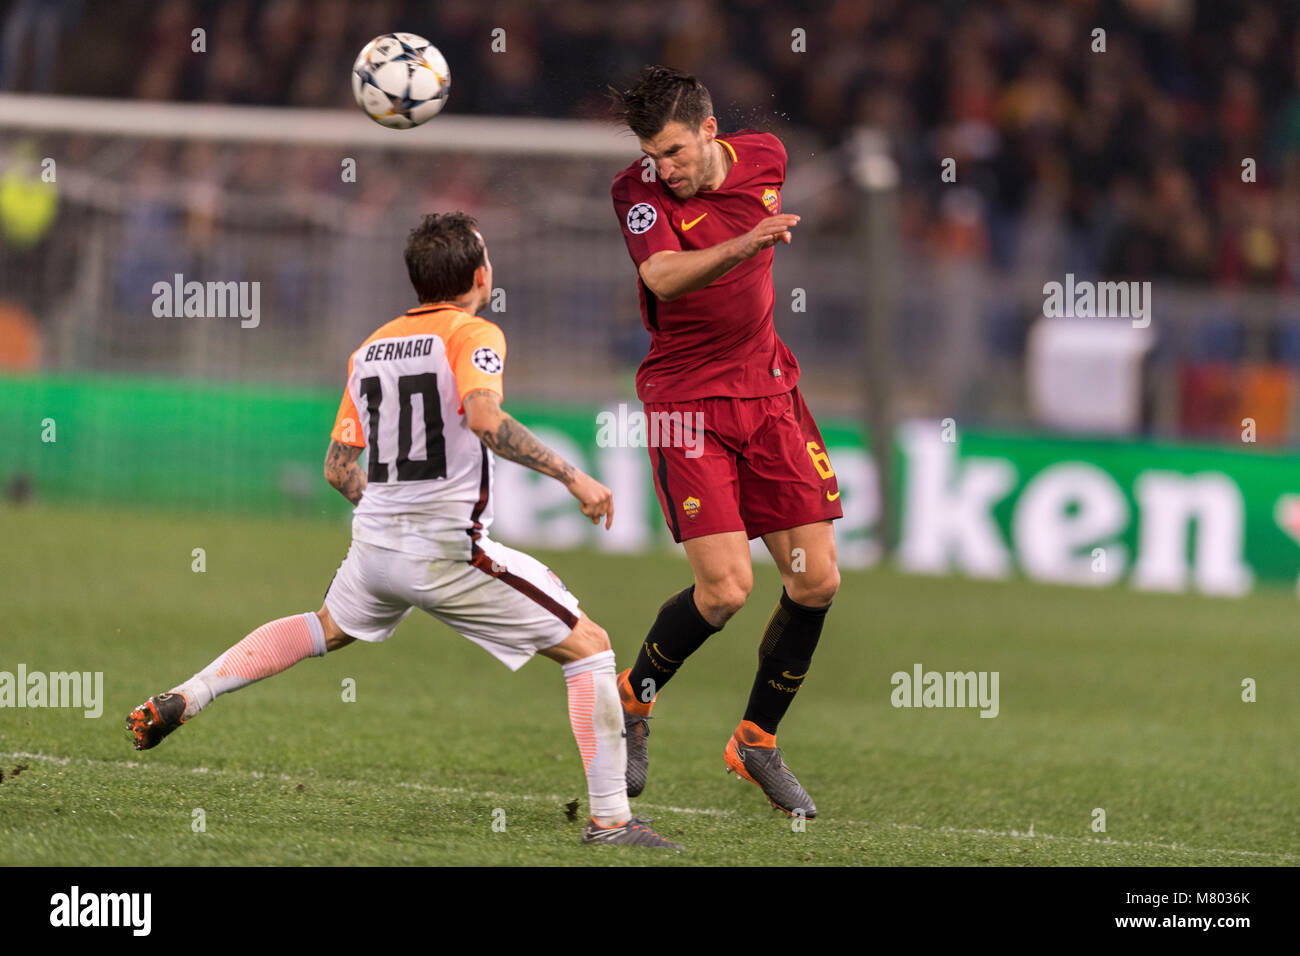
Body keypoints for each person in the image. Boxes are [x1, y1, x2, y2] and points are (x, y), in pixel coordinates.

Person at [127, 212, 681, 850]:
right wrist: (572, 477)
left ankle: (189, 694)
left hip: (375, 547)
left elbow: (338, 469)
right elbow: (484, 418)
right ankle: (612, 822)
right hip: (445, 551)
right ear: (480, 275)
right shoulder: (475, 332)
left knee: (324, 629)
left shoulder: (370, 348)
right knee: (591, 646)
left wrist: (390, 508)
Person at [609, 66, 842, 817]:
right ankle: (633, 701)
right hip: (685, 403)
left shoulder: (768, 156)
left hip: (771, 397)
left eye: (674, 151)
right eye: (653, 154)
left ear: (710, 131)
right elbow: (667, 277)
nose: (663, 168)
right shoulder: (637, 193)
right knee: (727, 590)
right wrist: (746, 244)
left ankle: (755, 741)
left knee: (816, 582)